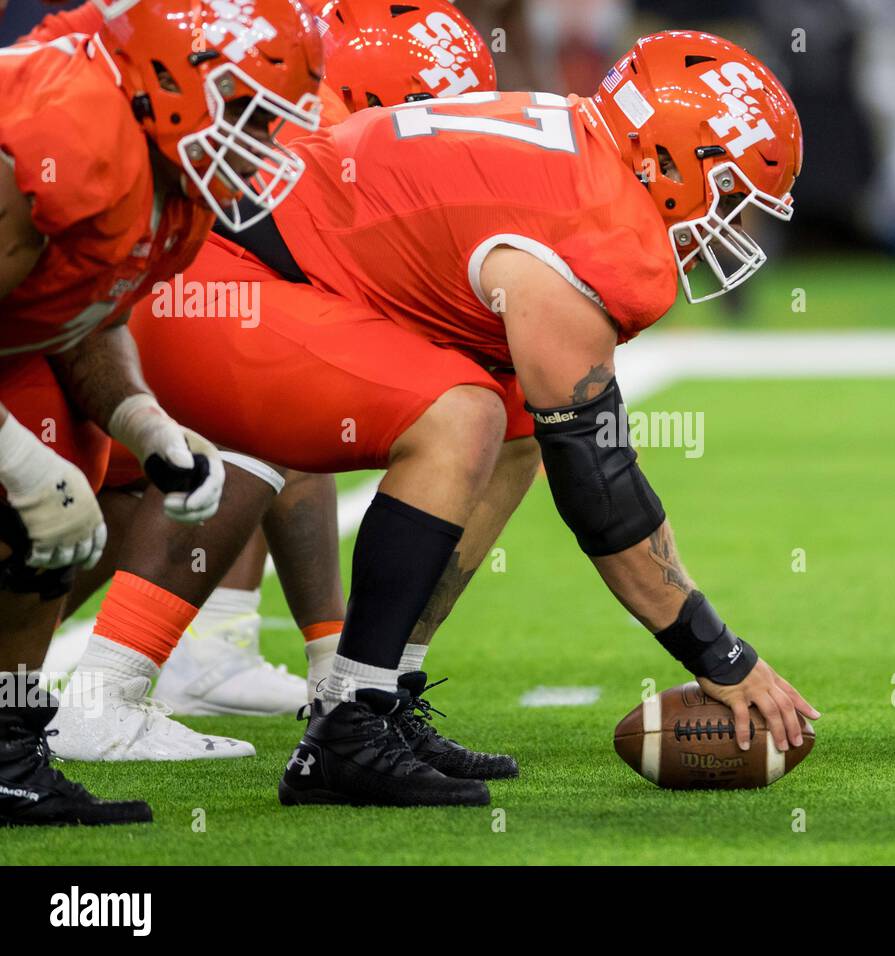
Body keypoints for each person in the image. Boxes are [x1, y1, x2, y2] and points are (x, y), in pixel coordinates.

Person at [81, 30, 817, 808]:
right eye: (730, 196)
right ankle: (347, 727)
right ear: (667, 162)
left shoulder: (583, 147)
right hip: (215, 285)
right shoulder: (603, 226)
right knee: (460, 415)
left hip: (245, 269)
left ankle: (382, 691)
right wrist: (722, 654)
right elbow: (602, 494)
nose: (734, 228)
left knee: (511, 424)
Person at [0, 0, 322, 823]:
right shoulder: (59, 137)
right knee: (33, 494)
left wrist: (144, 423)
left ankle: (4, 748)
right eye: (245, 111)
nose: (259, 144)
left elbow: (82, 316)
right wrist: (21, 463)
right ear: (176, 81)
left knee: (93, 490)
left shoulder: (163, 172)